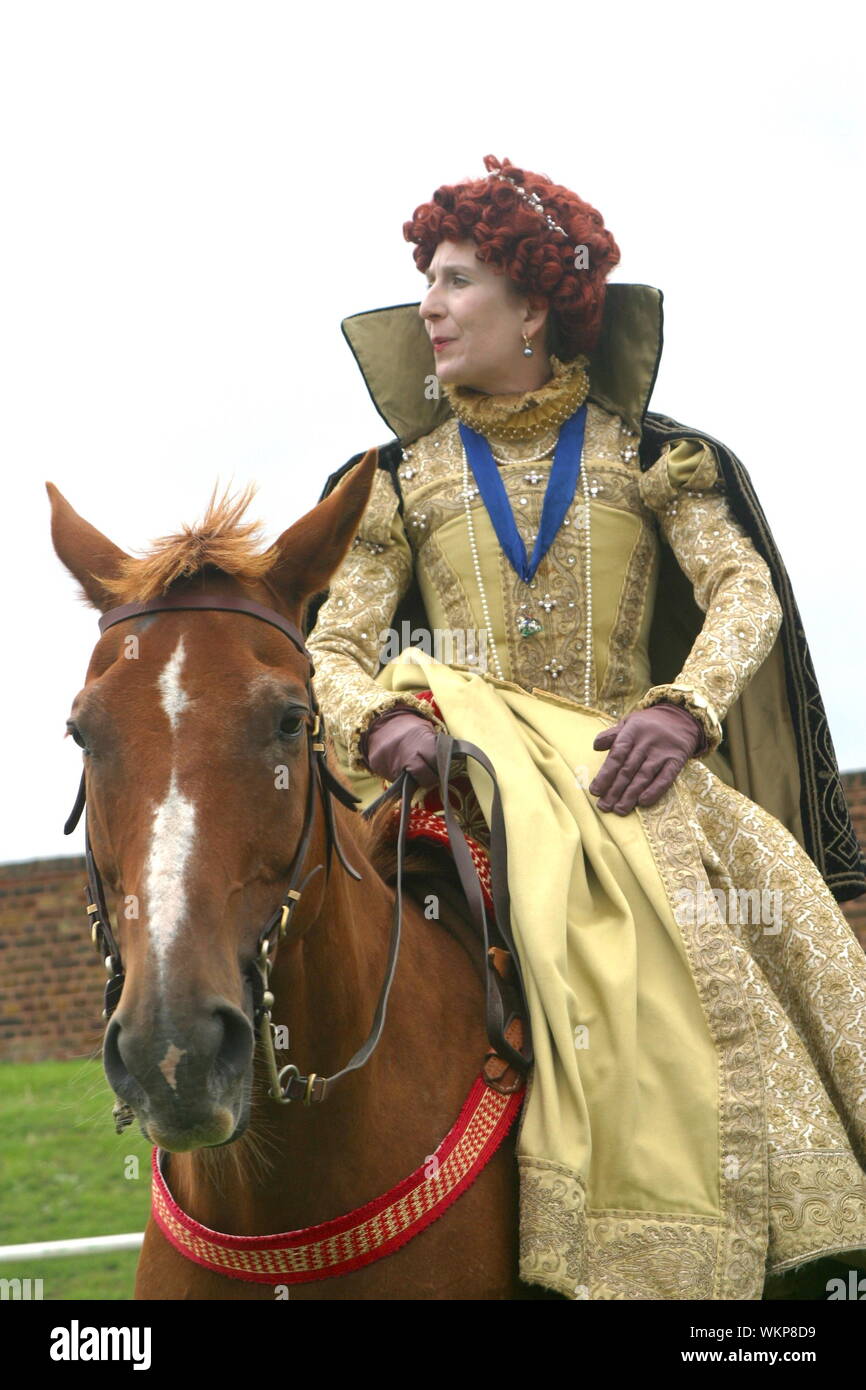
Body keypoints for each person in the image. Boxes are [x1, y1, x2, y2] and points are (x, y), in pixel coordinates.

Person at [304, 154, 866, 1300]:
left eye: (456, 280)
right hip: (461, 759)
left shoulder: (650, 456)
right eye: (427, 280)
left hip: (625, 768)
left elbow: (742, 591)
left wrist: (683, 707)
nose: (429, 306)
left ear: (532, 308)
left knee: (786, 942)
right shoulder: (394, 482)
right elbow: (331, 645)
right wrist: (368, 724)